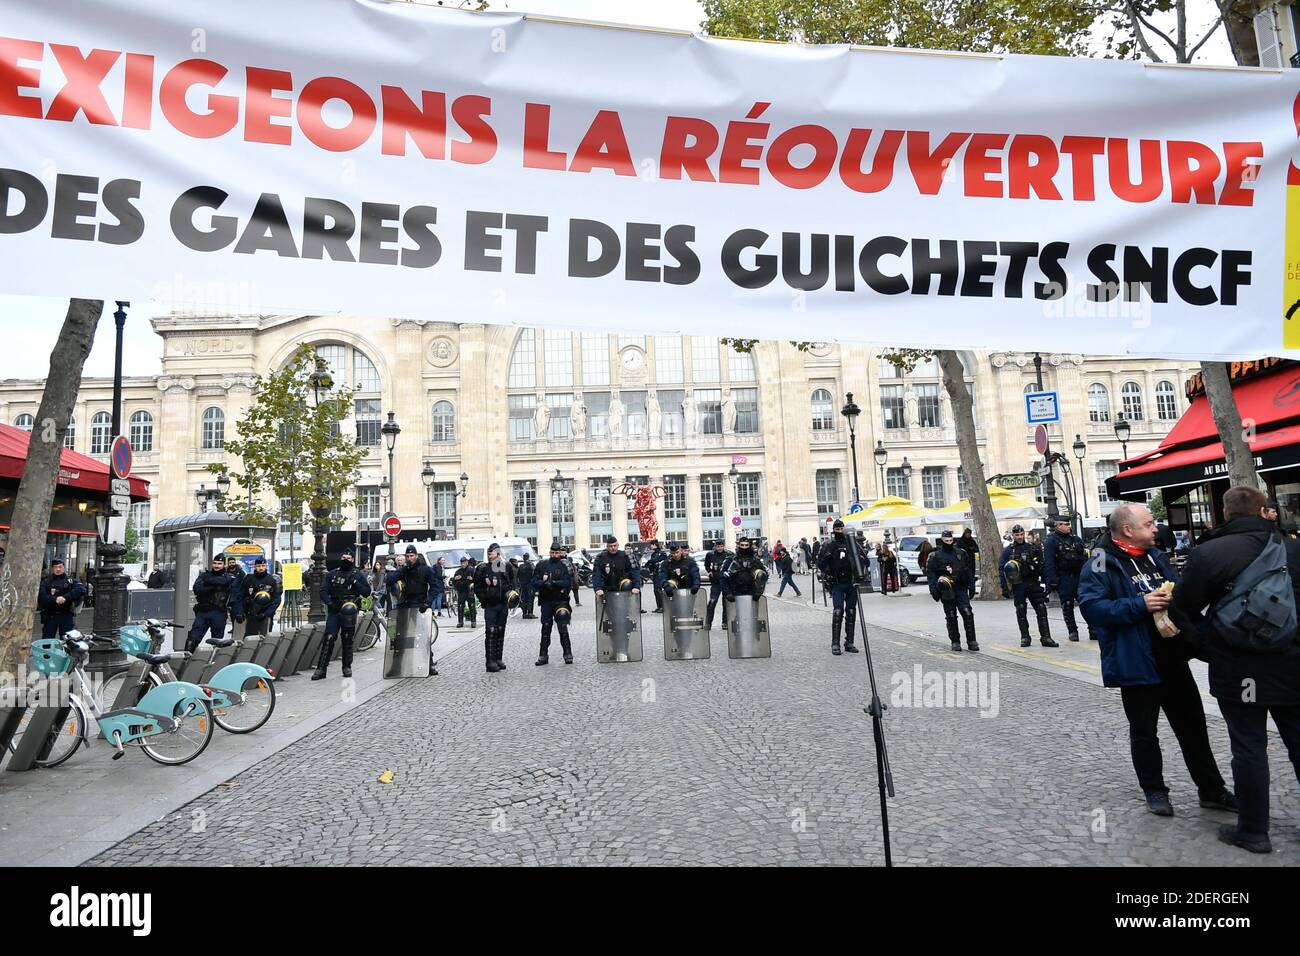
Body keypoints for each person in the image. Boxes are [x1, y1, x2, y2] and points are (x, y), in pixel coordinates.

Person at [1078, 502, 1236, 819]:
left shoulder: (1155, 556)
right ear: (1128, 530)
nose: (1156, 528)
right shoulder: (1099, 561)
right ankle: (1155, 791)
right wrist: (1140, 604)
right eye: (1149, 524)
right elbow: (1092, 608)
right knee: (1144, 731)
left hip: (1173, 658)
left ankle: (1212, 790)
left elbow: (1182, 599)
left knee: (1194, 728)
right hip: (1135, 660)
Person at [1172, 485, 1300, 854]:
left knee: (1249, 747)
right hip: (1292, 664)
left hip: (1239, 667)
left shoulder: (1209, 553)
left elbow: (1182, 609)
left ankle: (1254, 831)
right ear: (1264, 512)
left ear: (1225, 514)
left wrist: (1206, 647)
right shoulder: (1292, 548)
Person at [999, 524, 1059, 648]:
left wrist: (1047, 582)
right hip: (1018, 584)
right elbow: (1001, 569)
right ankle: (1025, 637)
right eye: (1017, 535)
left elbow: (1043, 566)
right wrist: (1004, 587)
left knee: (1041, 609)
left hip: (1033, 582)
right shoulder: (1009, 551)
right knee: (1021, 610)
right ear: (1013, 535)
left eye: (1021, 534)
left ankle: (1046, 637)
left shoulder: (1033, 548)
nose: (1020, 537)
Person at [315, 548, 372, 680]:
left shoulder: (357, 574)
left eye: (348, 559)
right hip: (335, 609)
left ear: (352, 560)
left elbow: (366, 592)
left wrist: (355, 582)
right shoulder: (332, 574)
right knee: (329, 637)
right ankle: (321, 669)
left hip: (349, 610)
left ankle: (347, 666)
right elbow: (323, 591)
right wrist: (330, 604)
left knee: (347, 638)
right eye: (344, 558)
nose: (346, 560)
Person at [384, 544, 439, 675]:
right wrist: (402, 570)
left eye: (412, 556)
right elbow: (389, 581)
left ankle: (429, 664)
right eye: (408, 556)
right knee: (400, 637)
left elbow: (435, 587)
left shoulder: (426, 570)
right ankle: (396, 667)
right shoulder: (404, 570)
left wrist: (428, 602)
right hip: (405, 605)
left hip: (420, 605)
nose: (410, 558)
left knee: (423, 636)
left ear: (416, 555)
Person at [926, 530, 978, 652]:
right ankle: (955, 641)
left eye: (950, 540)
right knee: (951, 615)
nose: (949, 543)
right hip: (946, 589)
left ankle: (972, 641)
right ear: (942, 541)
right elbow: (931, 575)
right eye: (946, 541)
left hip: (961, 587)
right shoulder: (936, 556)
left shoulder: (960, 553)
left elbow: (968, 570)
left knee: (967, 613)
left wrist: (972, 586)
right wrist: (934, 590)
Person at [817, 519, 864, 656]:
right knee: (838, 611)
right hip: (837, 583)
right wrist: (829, 554)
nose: (840, 532)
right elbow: (821, 564)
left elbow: (864, 559)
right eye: (837, 529)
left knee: (851, 612)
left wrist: (857, 557)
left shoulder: (852, 543)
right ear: (834, 530)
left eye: (842, 529)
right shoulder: (829, 544)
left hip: (850, 582)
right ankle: (835, 643)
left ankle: (849, 642)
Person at [1043, 514, 1090, 642]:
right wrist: (1052, 580)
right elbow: (1049, 562)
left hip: (1079, 576)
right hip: (1064, 577)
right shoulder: (1051, 541)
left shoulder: (1076, 540)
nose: (1069, 527)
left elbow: (1085, 559)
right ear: (1058, 525)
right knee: (1068, 605)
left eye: (1069, 524)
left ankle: (1093, 629)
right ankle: (1072, 631)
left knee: (1087, 603)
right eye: (1066, 524)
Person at [187, 554, 243, 654]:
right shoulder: (205, 575)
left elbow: (236, 596)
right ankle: (185, 662)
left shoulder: (229, 577)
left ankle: (215, 664)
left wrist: (239, 612)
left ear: (224, 565)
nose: (216, 566)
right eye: (215, 563)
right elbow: (197, 589)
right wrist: (215, 586)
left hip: (219, 612)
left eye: (219, 564)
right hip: (203, 612)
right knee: (192, 639)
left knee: (218, 643)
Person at [533, 541, 576, 666]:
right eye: (553, 552)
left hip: (560, 600)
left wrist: (554, 584)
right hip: (546, 600)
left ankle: (568, 654)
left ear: (560, 553)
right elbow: (534, 581)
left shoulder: (564, 566)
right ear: (549, 552)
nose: (555, 555)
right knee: (546, 628)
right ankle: (543, 655)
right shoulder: (542, 565)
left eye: (557, 553)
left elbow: (568, 582)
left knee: (562, 626)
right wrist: (543, 583)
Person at [474, 542, 516, 673]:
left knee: (500, 630)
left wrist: (511, 596)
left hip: (503, 604)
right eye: (488, 553)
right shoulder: (483, 569)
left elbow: (513, 584)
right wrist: (484, 599)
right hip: (490, 605)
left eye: (491, 553)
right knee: (491, 631)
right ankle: (490, 661)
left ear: (498, 554)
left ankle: (498, 658)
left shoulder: (506, 567)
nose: (489, 556)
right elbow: (477, 587)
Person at [37, 558, 86, 640]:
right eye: (56, 567)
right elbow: (42, 597)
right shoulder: (46, 582)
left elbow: (81, 590)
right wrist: (55, 599)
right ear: (52, 568)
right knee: (47, 641)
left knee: (68, 641)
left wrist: (65, 597)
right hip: (50, 615)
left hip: (66, 614)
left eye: (60, 567)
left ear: (64, 567)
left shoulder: (70, 581)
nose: (58, 569)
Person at [721, 535, 769, 616]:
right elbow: (722, 577)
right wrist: (727, 592)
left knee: (752, 617)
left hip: (751, 592)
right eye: (742, 545)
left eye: (746, 545)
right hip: (736, 592)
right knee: (736, 617)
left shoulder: (755, 560)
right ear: (738, 545)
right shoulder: (731, 560)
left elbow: (764, 575)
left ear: (749, 546)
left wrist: (758, 593)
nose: (744, 547)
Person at [241, 557, 282, 637]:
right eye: (258, 566)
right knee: (250, 640)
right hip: (251, 615)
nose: (261, 568)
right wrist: (241, 611)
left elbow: (276, 599)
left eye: (263, 566)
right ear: (255, 567)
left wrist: (267, 613)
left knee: (265, 639)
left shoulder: (271, 580)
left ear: (266, 566)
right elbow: (241, 595)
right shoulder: (249, 579)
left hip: (265, 615)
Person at [592, 535, 642, 600]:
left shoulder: (627, 556)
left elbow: (635, 571)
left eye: (615, 546)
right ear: (607, 547)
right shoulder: (601, 558)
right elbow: (596, 574)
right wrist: (597, 588)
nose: (613, 548)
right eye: (610, 546)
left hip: (624, 589)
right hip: (607, 590)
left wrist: (636, 586)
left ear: (618, 545)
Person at [657, 540, 701, 607]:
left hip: (688, 589)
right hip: (674, 591)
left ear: (680, 550)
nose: (675, 555)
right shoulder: (666, 563)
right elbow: (662, 576)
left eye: (677, 552)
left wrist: (696, 585)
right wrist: (666, 586)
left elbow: (695, 574)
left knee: (689, 609)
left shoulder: (689, 561)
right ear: (670, 553)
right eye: (673, 553)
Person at [702, 538, 733, 632]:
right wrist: (709, 571)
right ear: (715, 547)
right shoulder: (710, 554)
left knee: (726, 603)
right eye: (718, 546)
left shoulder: (729, 554)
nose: (720, 548)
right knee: (712, 602)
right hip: (715, 582)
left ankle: (725, 622)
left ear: (724, 546)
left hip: (726, 582)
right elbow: (706, 564)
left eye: (721, 546)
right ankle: (708, 623)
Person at [451, 555, 477, 627]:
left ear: (467, 562)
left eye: (464, 562)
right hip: (461, 591)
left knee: (472, 606)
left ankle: (473, 621)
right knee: (460, 607)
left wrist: (472, 579)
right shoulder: (458, 571)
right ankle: (460, 622)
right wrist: (455, 579)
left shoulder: (471, 570)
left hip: (469, 591)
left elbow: (477, 579)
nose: (463, 564)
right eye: (462, 563)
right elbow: (454, 582)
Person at [644, 540, 668, 613]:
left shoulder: (661, 553)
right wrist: (648, 565)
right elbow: (652, 563)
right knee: (655, 591)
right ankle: (659, 606)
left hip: (660, 574)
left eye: (651, 545)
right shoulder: (654, 554)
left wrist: (649, 562)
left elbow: (656, 560)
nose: (650, 546)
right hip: (655, 574)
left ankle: (662, 607)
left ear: (655, 545)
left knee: (658, 590)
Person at [957, 529, 979, 598]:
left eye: (969, 533)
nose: (968, 535)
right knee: (964, 578)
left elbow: (976, 549)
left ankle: (972, 592)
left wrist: (972, 549)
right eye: (967, 533)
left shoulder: (972, 541)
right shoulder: (960, 541)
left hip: (971, 562)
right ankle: (965, 593)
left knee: (971, 578)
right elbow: (957, 550)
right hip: (962, 563)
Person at [518, 553, 537, 618]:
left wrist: (521, 583)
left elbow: (518, 576)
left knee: (524, 598)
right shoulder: (531, 565)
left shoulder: (520, 566)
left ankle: (524, 613)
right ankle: (530, 613)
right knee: (530, 599)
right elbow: (535, 573)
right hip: (530, 584)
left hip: (523, 584)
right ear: (528, 557)